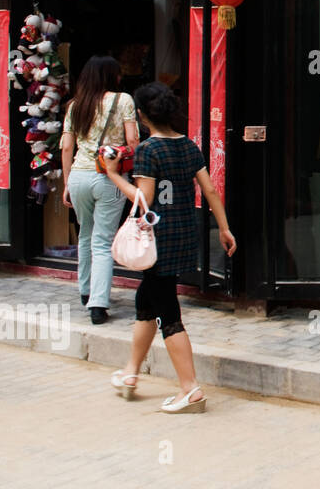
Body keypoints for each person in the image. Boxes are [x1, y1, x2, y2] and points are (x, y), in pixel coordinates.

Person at [102, 83, 236, 413]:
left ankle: (190, 389)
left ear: (144, 116)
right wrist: (224, 227)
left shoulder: (149, 150)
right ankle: (131, 372)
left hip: (155, 238)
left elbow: (142, 199)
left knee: (169, 314)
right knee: (146, 300)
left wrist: (112, 173)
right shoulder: (190, 146)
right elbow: (211, 192)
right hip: (183, 234)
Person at [61, 55, 139, 324]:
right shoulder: (123, 100)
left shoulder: (74, 106)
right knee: (103, 240)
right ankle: (98, 304)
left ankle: (85, 291)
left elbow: (67, 148)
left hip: (79, 176)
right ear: (111, 76)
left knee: (85, 234)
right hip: (110, 176)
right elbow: (131, 139)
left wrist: (66, 183)